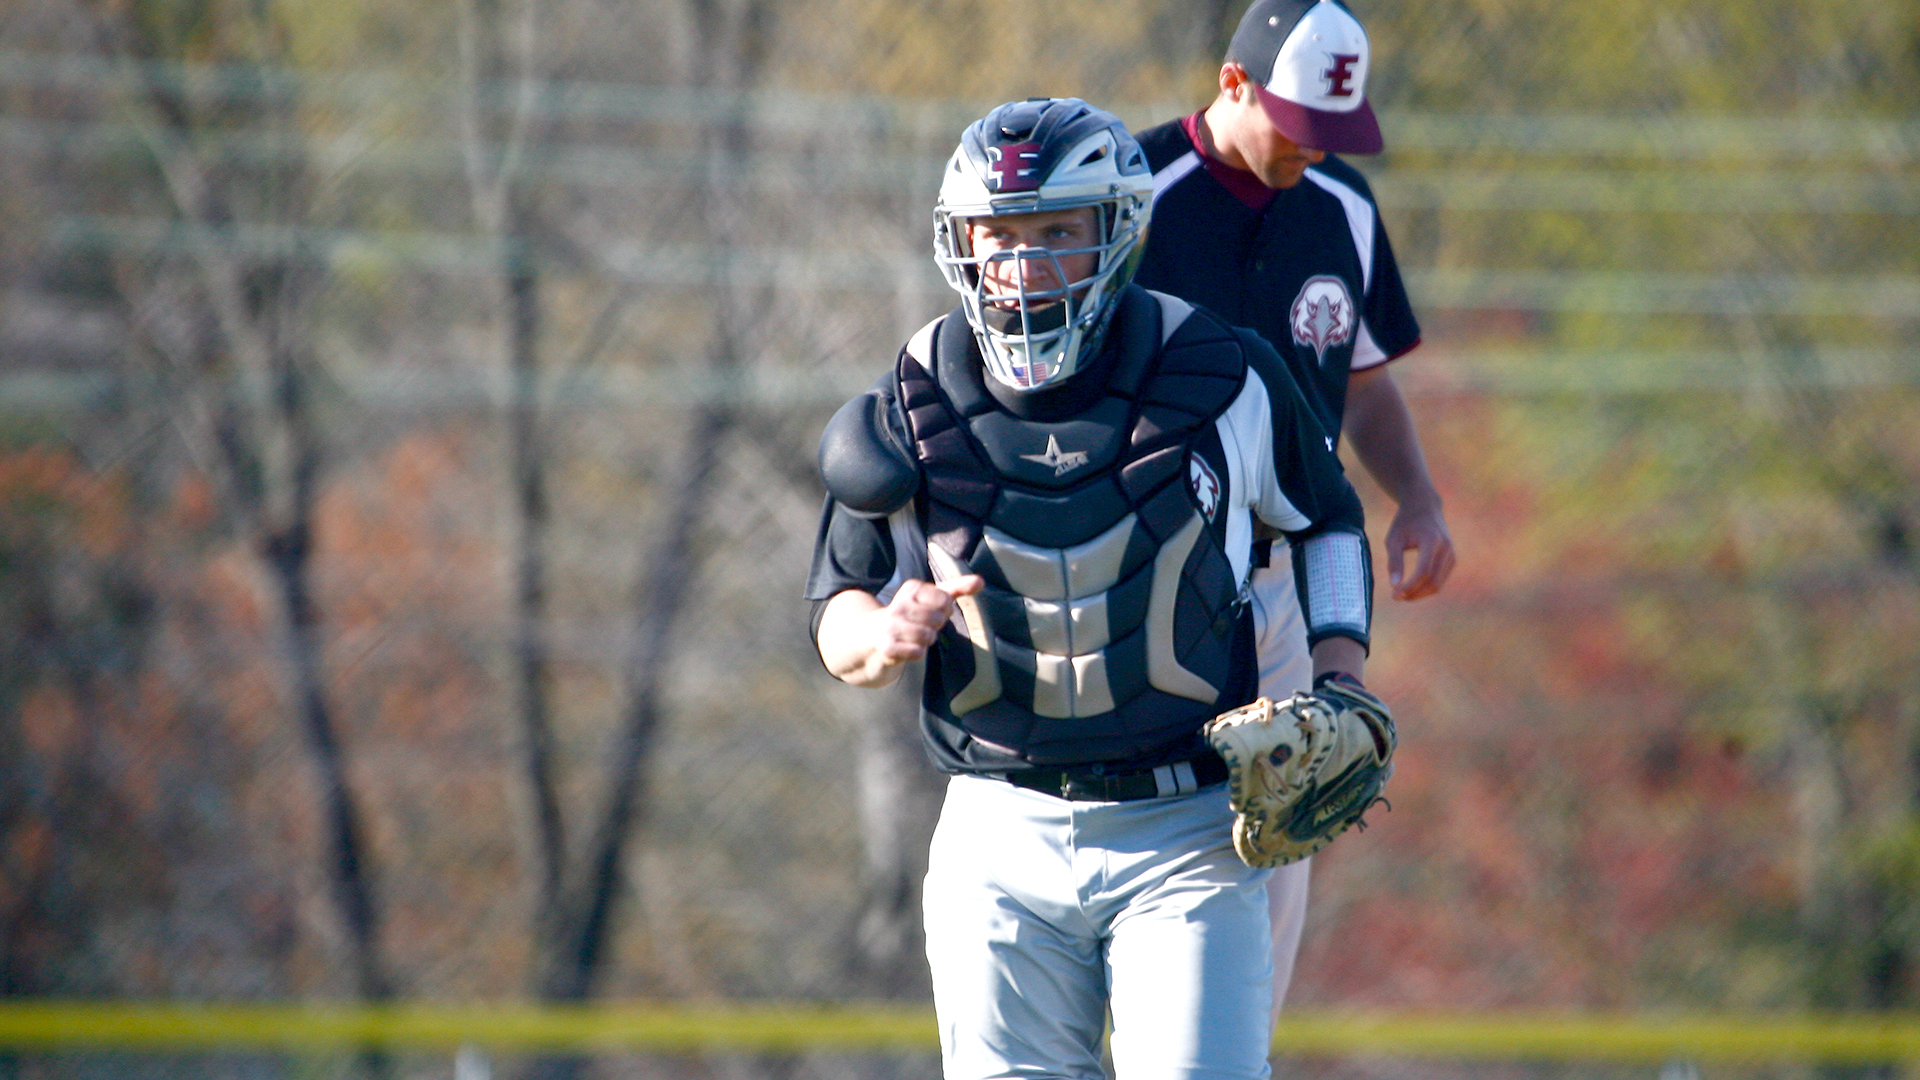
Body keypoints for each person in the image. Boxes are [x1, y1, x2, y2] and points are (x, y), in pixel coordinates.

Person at [805, 96, 1379, 1080]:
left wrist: (1341, 675)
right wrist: (882, 636)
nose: (1025, 267)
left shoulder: (1223, 375)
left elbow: (1324, 517)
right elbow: (837, 612)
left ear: (1117, 231)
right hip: (998, 828)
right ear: (961, 243)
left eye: (1057, 233)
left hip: (1187, 832)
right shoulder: (914, 395)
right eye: (1001, 237)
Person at [1132, 0, 1457, 1012]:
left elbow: (1361, 382)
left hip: (1287, 575)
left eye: (1333, 128)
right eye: (1296, 120)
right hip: (1145, 573)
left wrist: (1418, 498)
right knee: (1136, 837)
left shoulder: (1343, 207)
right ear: (1233, 83)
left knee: (1278, 834)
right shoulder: (1136, 192)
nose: (1313, 146)